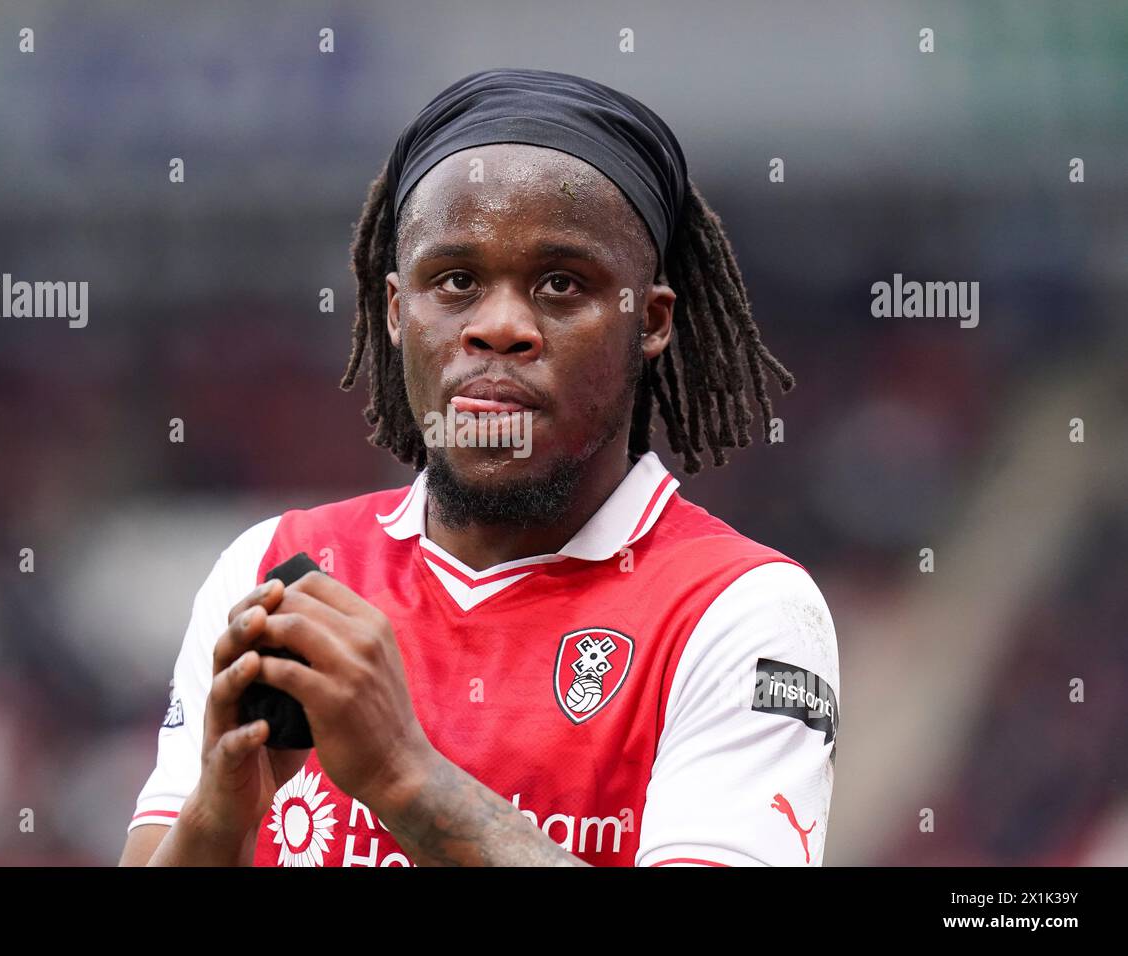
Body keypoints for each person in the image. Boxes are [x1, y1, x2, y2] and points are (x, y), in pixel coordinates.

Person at [119, 67, 839, 867]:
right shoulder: (273, 574)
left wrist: (406, 780)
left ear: (651, 321)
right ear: (395, 311)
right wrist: (222, 818)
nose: (499, 327)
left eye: (561, 284)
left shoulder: (740, 610)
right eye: (455, 281)